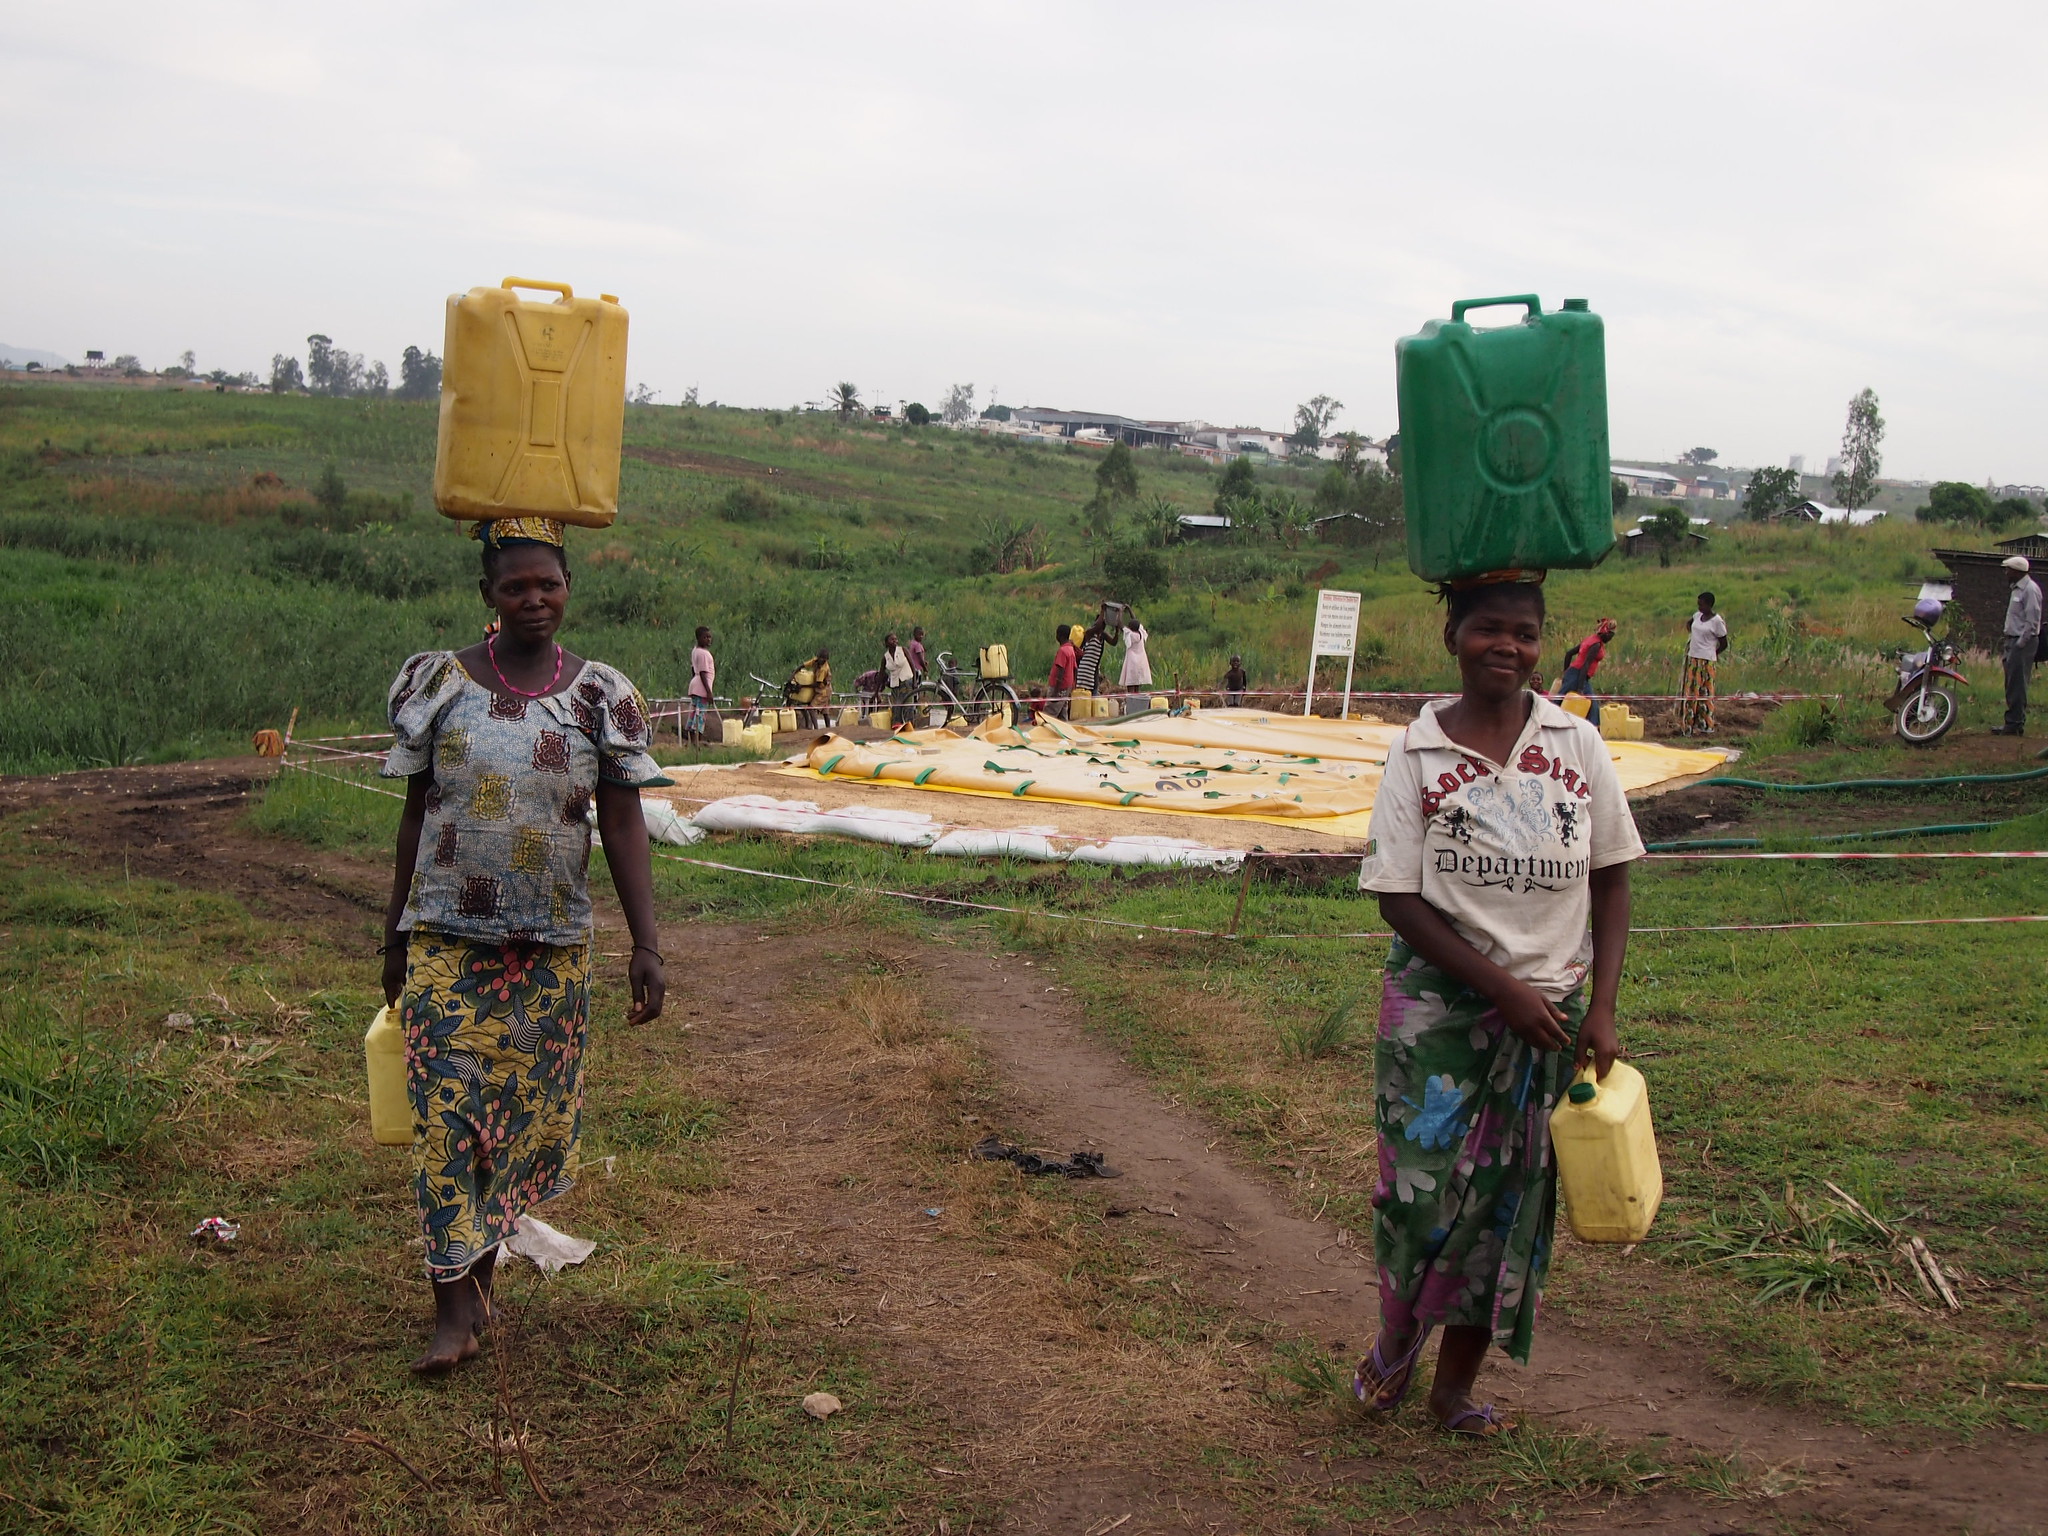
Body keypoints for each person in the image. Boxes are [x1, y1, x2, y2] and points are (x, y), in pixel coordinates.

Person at [1354, 575, 1642, 1435]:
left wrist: (1602, 1008)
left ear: (1542, 642)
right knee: (1418, 1195)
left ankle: (1453, 1394)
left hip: (1548, 1014)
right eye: (1487, 630)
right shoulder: (1417, 754)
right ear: (1453, 636)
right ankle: (1395, 1349)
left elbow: (1613, 872)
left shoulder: (1577, 746)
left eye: (1523, 632)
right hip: (1437, 1013)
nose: (1505, 647)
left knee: (1507, 1207)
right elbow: (1397, 898)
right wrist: (1501, 988)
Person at [380, 517, 669, 1374]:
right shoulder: (440, 683)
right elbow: (413, 813)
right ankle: (450, 1305)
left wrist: (647, 945)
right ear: (487, 597)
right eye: (516, 587)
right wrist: (394, 933)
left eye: (548, 584)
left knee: (517, 1128)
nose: (534, 600)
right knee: (445, 1122)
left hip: (547, 952)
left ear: (568, 587)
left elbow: (622, 820)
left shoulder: (600, 696)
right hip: (444, 942)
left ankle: (481, 1273)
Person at [1994, 555, 2042, 736]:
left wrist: (2020, 644)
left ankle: (2014, 724)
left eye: (2008, 569)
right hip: (2012, 640)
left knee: (2018, 683)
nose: (2006, 572)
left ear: (2017, 571)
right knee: (2011, 682)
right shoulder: (2016, 589)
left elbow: (2032, 621)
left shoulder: (2030, 590)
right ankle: (2012, 721)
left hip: (2022, 642)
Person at [1552, 617, 1617, 725]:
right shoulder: (1596, 645)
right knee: (1592, 706)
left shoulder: (1590, 639)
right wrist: (1580, 688)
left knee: (1559, 701)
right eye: (1611, 634)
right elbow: (1585, 665)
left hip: (1573, 674)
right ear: (1605, 632)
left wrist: (1566, 673)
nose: (1611, 638)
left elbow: (1569, 654)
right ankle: (1594, 729)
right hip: (1579, 675)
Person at [1679, 593, 1728, 736]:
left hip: (1706, 661)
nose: (1699, 607)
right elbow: (1689, 624)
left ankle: (1704, 725)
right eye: (1698, 604)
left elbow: (1724, 643)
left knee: (1704, 694)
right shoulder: (1696, 616)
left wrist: (1713, 653)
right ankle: (1687, 727)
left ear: (1709, 605)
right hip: (1693, 659)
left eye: (1702, 604)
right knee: (1690, 693)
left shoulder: (1717, 621)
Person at [685, 625, 720, 745]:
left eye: (710, 637)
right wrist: (708, 692)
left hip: (696, 684)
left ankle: (692, 741)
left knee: (693, 713)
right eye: (705, 637)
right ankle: (696, 743)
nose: (708, 640)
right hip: (701, 687)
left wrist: (694, 680)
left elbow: (693, 669)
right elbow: (703, 672)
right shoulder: (704, 654)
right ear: (698, 638)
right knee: (700, 716)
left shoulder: (695, 651)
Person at [1072, 618, 1114, 715]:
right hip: (1084, 668)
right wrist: (1103, 610)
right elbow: (1098, 625)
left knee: (1092, 691)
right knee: (1081, 690)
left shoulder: (1102, 636)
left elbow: (1114, 642)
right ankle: (1079, 713)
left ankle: (1090, 713)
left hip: (1093, 670)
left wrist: (1116, 630)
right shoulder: (1089, 634)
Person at [788, 650, 832, 730]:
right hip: (821, 689)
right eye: (820, 658)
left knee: (811, 708)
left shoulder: (824, 669)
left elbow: (818, 684)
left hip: (823, 691)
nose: (821, 660)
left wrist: (803, 686)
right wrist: (793, 673)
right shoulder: (815, 661)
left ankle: (815, 729)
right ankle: (828, 729)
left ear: (826, 660)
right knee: (825, 710)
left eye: (823, 659)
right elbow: (803, 665)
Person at [1119, 611, 1153, 713]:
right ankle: (1137, 707)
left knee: (1130, 685)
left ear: (1130, 628)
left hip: (1132, 663)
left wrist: (1120, 612)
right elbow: (1136, 621)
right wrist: (1130, 610)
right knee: (1137, 685)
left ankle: (1131, 707)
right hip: (1141, 661)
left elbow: (1121, 625)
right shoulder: (1141, 633)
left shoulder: (1131, 635)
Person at [1047, 622, 1079, 720]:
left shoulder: (1063, 651)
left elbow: (1060, 671)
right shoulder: (1070, 649)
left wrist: (1055, 691)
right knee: (1062, 713)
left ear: (1060, 636)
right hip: (1067, 687)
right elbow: (1075, 669)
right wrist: (1074, 684)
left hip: (1059, 687)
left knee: (1049, 713)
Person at [882, 632, 915, 726]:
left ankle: (909, 725)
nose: (895, 641)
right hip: (895, 684)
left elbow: (912, 665)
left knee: (908, 705)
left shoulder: (903, 650)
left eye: (896, 639)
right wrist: (877, 691)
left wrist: (915, 681)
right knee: (896, 707)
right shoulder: (886, 657)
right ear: (886, 643)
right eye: (892, 639)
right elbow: (881, 674)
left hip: (907, 681)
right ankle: (897, 726)